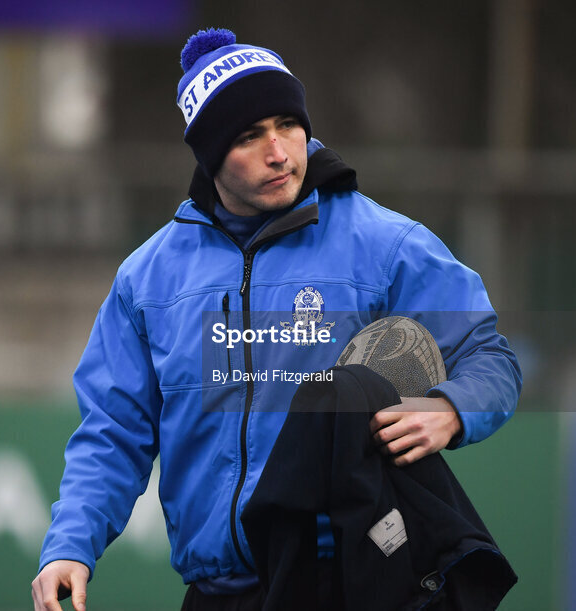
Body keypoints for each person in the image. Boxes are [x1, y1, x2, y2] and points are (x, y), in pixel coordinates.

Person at [32, 28, 522, 611]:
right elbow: (113, 432)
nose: (279, 152)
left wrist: (450, 410)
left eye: (288, 125)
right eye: (248, 136)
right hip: (217, 593)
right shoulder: (147, 279)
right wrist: (70, 545)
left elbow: (491, 357)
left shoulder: (385, 245)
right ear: (210, 156)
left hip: (347, 587)